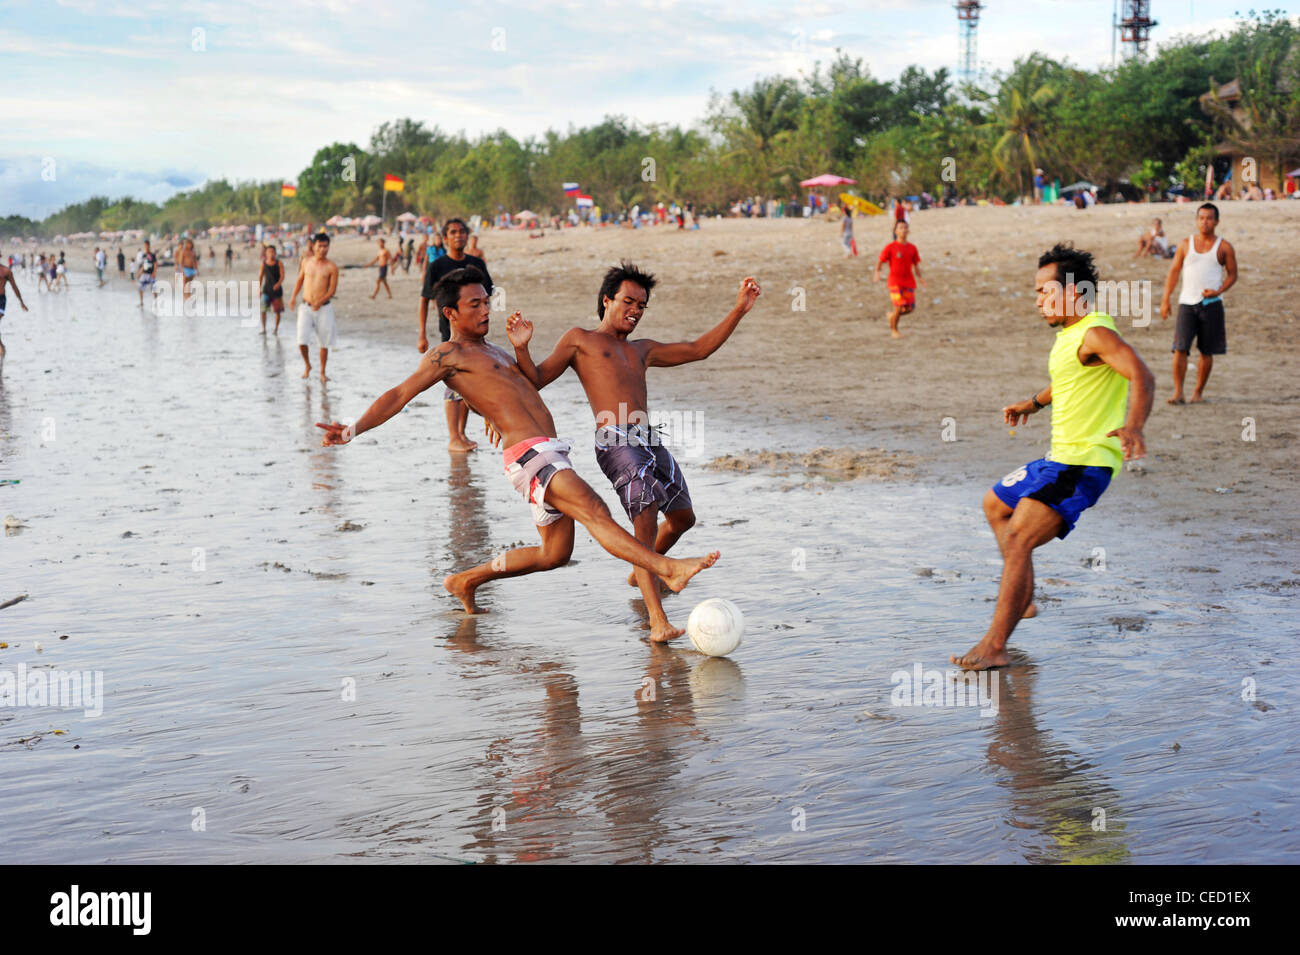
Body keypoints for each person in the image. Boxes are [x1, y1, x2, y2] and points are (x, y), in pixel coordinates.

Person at [315, 266, 720, 615]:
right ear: (450, 312)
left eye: (486, 301)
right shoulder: (446, 355)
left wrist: (507, 377)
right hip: (531, 456)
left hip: (548, 450)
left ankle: (466, 580)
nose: (485, 309)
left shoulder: (497, 351)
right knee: (595, 510)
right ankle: (667, 568)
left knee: (554, 555)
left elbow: (515, 390)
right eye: (474, 304)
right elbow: (399, 395)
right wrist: (353, 429)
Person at [508, 262, 760, 641]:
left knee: (682, 518)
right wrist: (522, 348)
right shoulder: (580, 340)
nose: (635, 311)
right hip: (614, 439)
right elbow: (537, 379)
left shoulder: (642, 350)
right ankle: (657, 620)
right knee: (645, 522)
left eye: (641, 306)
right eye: (628, 302)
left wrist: (739, 309)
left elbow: (698, 350)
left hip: (648, 439)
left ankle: (640, 571)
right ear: (606, 300)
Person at [952, 243, 1154, 670]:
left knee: (1019, 536)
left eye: (1046, 291)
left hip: (1084, 463)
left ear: (1075, 292)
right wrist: (1033, 403)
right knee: (994, 505)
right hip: (1056, 457)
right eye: (1037, 292)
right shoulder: (1070, 337)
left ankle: (995, 646)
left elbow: (1141, 372)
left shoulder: (1096, 333)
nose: (1038, 300)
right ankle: (1022, 598)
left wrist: (1134, 425)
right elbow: (1068, 378)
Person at [419, 218, 492, 452]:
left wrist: (489, 313)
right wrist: (422, 333)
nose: (458, 236)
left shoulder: (476, 263)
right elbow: (424, 299)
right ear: (445, 237)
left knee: (469, 382)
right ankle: (454, 436)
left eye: (462, 231)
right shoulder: (437, 265)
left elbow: (490, 292)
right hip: (450, 333)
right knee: (454, 381)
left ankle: (462, 433)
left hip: (476, 332)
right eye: (453, 232)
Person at [1159, 203, 1238, 405]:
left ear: (1217, 221)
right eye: (1201, 218)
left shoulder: (1224, 247)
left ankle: (1198, 392)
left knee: (1207, 351)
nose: (1205, 222)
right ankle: (1178, 392)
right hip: (1187, 302)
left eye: (1209, 218)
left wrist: (1219, 291)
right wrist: (1165, 298)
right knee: (1180, 348)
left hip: (1212, 304)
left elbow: (1233, 275)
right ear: (1196, 220)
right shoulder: (1186, 244)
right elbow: (1174, 271)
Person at [288, 233, 339, 382]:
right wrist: (293, 297)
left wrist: (320, 301)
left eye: (326, 246)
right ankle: (307, 365)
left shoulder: (331, 267)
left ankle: (322, 372)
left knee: (324, 342)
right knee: (301, 340)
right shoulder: (306, 262)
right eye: (320, 245)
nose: (323, 249)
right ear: (314, 245)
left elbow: (332, 290)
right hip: (306, 306)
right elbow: (300, 280)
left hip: (324, 308)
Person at [874, 219, 924, 338]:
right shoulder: (890, 247)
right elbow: (881, 260)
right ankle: (894, 331)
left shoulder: (912, 248)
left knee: (910, 308)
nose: (904, 230)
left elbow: (916, 264)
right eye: (901, 228)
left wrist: (920, 277)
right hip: (895, 282)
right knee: (899, 306)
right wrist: (877, 272)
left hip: (909, 281)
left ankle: (892, 316)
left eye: (905, 227)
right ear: (895, 231)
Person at [0, 258, 30, 357]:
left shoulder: (6, 271)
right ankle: (1, 346)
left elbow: (14, 286)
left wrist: (21, 302)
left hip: (1, 300)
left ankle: (2, 347)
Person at [258, 244, 286, 335]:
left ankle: (276, 329)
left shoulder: (279, 263)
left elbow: (282, 276)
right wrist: (259, 289)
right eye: (269, 252)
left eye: (273, 252)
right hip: (266, 290)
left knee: (277, 311)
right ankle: (264, 329)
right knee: (263, 310)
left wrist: (278, 284)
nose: (271, 254)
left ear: (275, 253)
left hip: (277, 292)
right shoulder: (263, 263)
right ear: (266, 253)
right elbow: (260, 277)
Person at [135, 241, 159, 306]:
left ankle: (156, 302)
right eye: (145, 245)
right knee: (140, 288)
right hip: (144, 274)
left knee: (154, 289)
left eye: (147, 245)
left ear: (149, 246)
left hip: (151, 274)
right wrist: (140, 273)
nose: (146, 247)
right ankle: (141, 302)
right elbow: (143, 265)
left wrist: (154, 272)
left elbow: (155, 264)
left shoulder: (152, 255)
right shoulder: (144, 255)